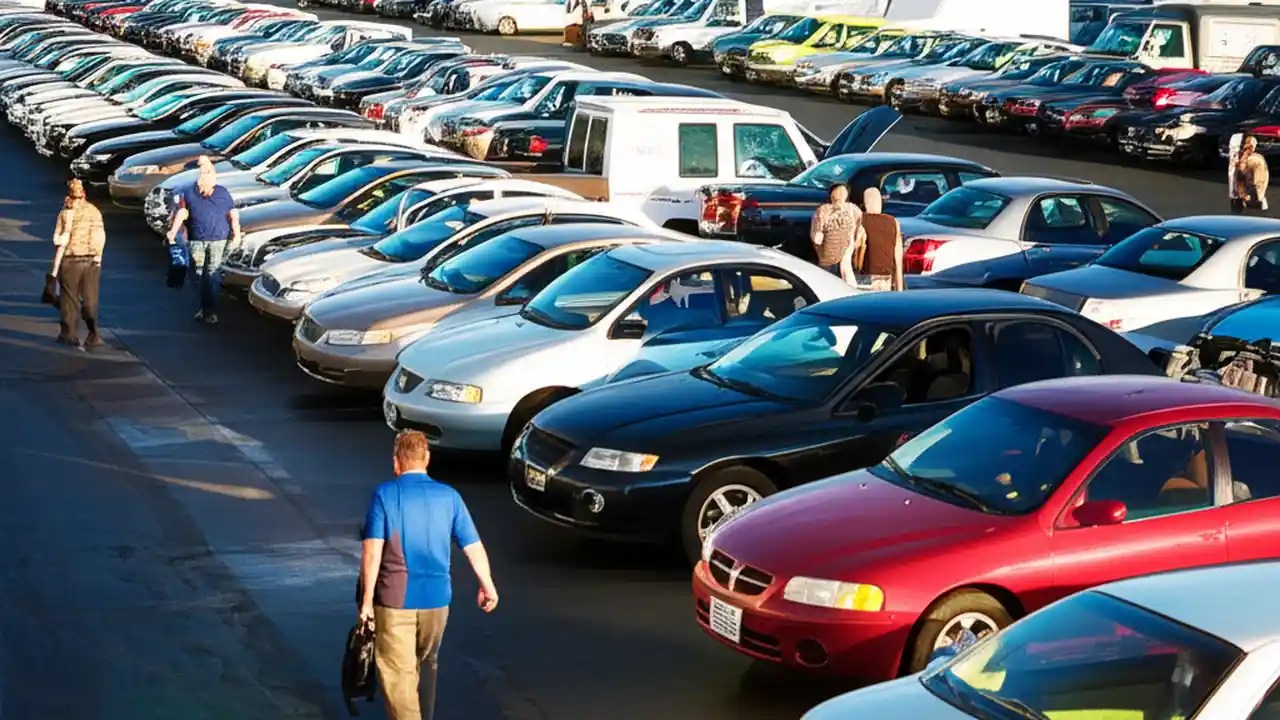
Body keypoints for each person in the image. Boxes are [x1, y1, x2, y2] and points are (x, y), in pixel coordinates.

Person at [359, 430, 498, 720]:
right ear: (428, 459)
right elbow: (473, 546)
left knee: (399, 675)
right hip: (437, 602)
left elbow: (372, 552)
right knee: (425, 664)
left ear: (396, 462)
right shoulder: (450, 497)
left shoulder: (385, 495)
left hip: (395, 601)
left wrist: (367, 602)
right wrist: (488, 585)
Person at [165, 157, 240, 325]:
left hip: (218, 239)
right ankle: (206, 306)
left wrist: (236, 233)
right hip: (197, 239)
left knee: (212, 274)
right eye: (202, 175)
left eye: (207, 175)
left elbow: (232, 214)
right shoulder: (190, 193)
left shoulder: (223, 193)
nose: (203, 180)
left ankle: (209, 310)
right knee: (199, 274)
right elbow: (182, 213)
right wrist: (173, 231)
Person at [52, 178, 106, 349]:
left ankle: (68, 334)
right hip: (90, 261)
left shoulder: (65, 213)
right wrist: (98, 256)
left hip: (70, 260)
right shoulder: (94, 212)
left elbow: (56, 239)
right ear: (84, 194)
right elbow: (99, 236)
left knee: (69, 300)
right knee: (90, 300)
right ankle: (93, 332)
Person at [809, 182, 860, 283]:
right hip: (838, 257)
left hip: (831, 258)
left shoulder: (823, 210)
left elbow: (817, 238)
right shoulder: (853, 210)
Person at [857, 187, 905, 291]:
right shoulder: (893, 221)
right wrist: (899, 288)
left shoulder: (859, 219)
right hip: (886, 276)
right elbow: (898, 258)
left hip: (864, 274)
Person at [1232, 133, 1270, 215]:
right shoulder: (1257, 160)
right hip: (1254, 199)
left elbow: (1240, 179)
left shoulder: (1247, 161)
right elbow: (1259, 182)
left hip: (1248, 199)